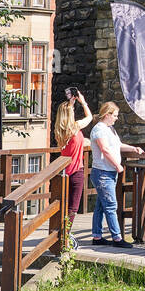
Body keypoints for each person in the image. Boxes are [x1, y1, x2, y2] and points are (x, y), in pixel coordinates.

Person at [89, 101, 144, 248]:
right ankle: (117, 238)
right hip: (102, 173)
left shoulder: (110, 129)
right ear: (107, 115)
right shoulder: (99, 129)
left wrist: (133, 148)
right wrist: (118, 166)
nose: (116, 118)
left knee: (101, 206)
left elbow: (117, 145)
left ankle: (97, 236)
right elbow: (105, 149)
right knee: (111, 205)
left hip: (108, 172)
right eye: (114, 115)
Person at [54, 90, 93, 245]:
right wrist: (83, 102)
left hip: (64, 171)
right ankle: (65, 235)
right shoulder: (75, 127)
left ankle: (60, 233)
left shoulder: (59, 131)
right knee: (73, 207)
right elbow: (90, 117)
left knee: (63, 204)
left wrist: (70, 104)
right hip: (76, 171)